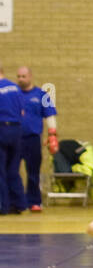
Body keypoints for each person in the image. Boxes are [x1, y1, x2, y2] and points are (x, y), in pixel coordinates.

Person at [14, 67, 57, 212]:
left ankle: (34, 202)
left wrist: (52, 134)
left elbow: (50, 114)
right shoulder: (14, 94)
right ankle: (15, 201)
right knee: (12, 171)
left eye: (23, 76)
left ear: (30, 76)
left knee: (33, 172)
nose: (20, 79)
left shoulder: (42, 94)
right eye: (18, 76)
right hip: (15, 138)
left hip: (32, 139)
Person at [0, 68, 24, 215]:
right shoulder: (15, 87)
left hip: (2, 129)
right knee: (13, 169)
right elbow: (22, 111)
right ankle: (19, 204)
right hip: (17, 130)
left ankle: (3, 205)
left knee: (0, 170)